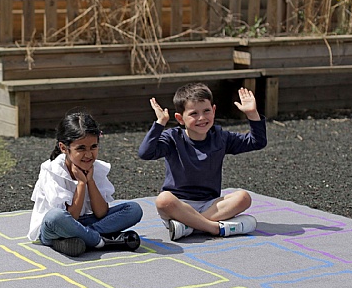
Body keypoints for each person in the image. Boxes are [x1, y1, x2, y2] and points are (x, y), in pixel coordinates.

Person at [138, 83, 267, 240]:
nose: (202, 118)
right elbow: (145, 153)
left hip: (211, 205)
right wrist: (160, 123)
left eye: (206, 111)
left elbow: (256, 142)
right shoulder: (172, 138)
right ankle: (214, 228)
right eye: (193, 114)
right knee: (163, 200)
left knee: (243, 197)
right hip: (179, 206)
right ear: (180, 118)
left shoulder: (220, 137)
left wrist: (252, 113)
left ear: (213, 110)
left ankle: (189, 227)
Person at [28, 110, 143, 257]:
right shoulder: (52, 171)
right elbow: (70, 216)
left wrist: (90, 181)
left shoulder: (97, 167)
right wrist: (81, 184)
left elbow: (101, 213)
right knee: (55, 216)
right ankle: (99, 241)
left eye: (93, 147)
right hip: (57, 227)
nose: (88, 155)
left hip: (84, 223)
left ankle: (80, 238)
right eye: (81, 148)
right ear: (64, 148)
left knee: (133, 209)